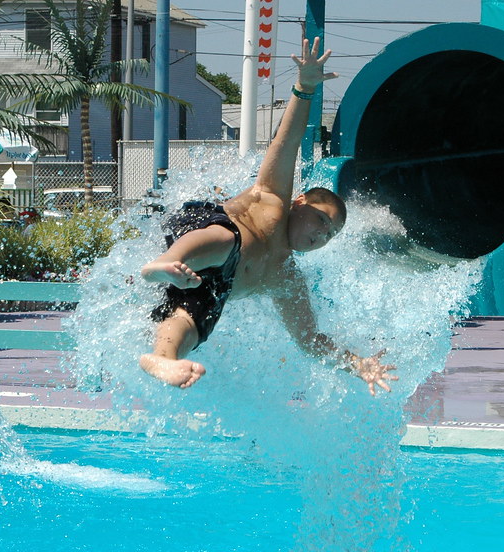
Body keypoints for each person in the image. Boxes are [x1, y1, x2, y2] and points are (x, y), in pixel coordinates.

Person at [138, 37, 397, 395]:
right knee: (228, 240)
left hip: (205, 278)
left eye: (331, 235)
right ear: (301, 202)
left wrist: (357, 364)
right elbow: (285, 144)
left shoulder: (286, 279)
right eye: (322, 220)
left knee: (193, 317)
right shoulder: (273, 201)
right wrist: (304, 88)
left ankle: (161, 358)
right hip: (199, 232)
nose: (322, 235)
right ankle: (163, 263)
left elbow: (309, 339)